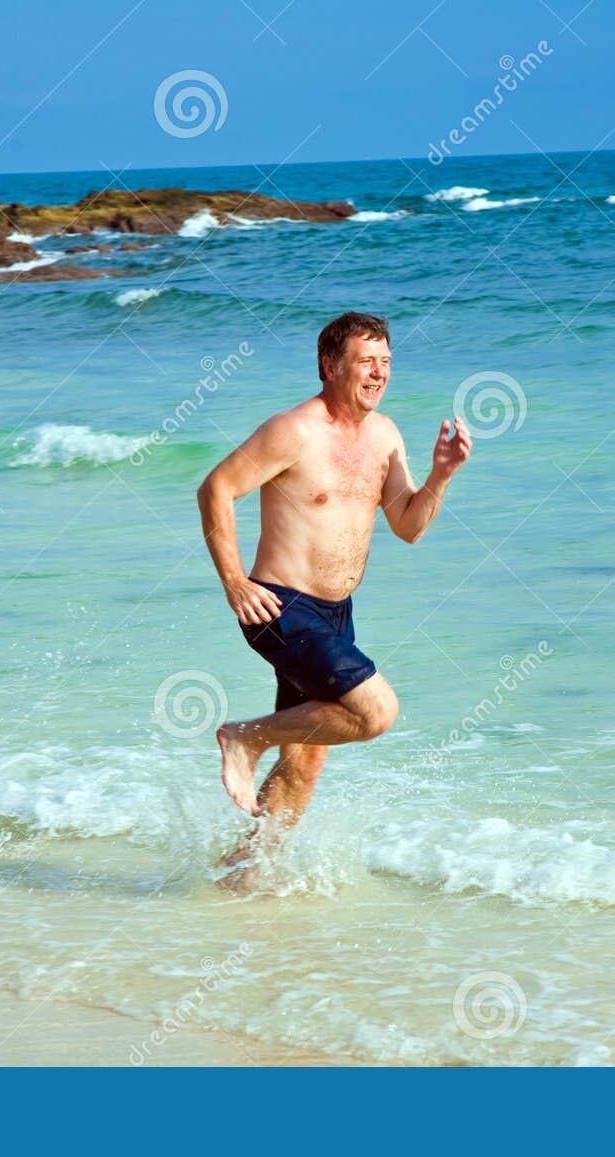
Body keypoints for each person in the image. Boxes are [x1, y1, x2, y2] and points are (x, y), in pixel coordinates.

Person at [196, 312, 472, 877]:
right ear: (330, 366)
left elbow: (409, 526)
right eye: (366, 361)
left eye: (387, 363)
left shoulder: (385, 435)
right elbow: (216, 489)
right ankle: (243, 739)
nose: (379, 374)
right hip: (278, 606)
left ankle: (244, 875)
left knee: (305, 762)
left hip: (334, 616)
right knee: (376, 713)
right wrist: (234, 582)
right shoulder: (295, 430)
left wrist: (442, 475)